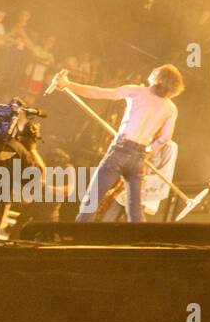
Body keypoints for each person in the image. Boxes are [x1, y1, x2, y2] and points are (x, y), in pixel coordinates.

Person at [55, 64, 184, 223]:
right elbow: (165, 137)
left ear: (159, 77)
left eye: (156, 71)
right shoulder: (170, 108)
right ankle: (140, 244)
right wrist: (148, 151)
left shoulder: (136, 91)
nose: (151, 71)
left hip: (120, 150)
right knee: (134, 210)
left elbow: (99, 92)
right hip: (139, 156)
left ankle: (76, 238)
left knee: (92, 199)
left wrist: (68, 84)